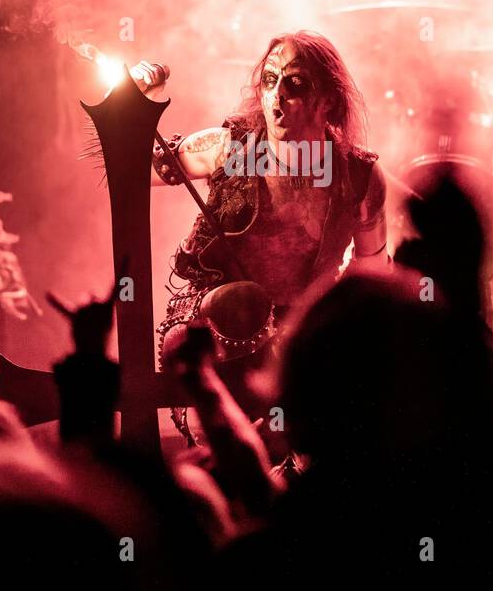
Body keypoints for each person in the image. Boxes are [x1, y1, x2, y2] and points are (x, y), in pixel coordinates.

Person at [133, 30, 388, 375]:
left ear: (328, 98)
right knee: (242, 302)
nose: (277, 94)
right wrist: (127, 107)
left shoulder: (358, 176)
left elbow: (371, 272)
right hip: (213, 327)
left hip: (304, 334)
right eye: (270, 79)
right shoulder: (229, 149)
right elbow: (128, 171)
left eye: (296, 83)